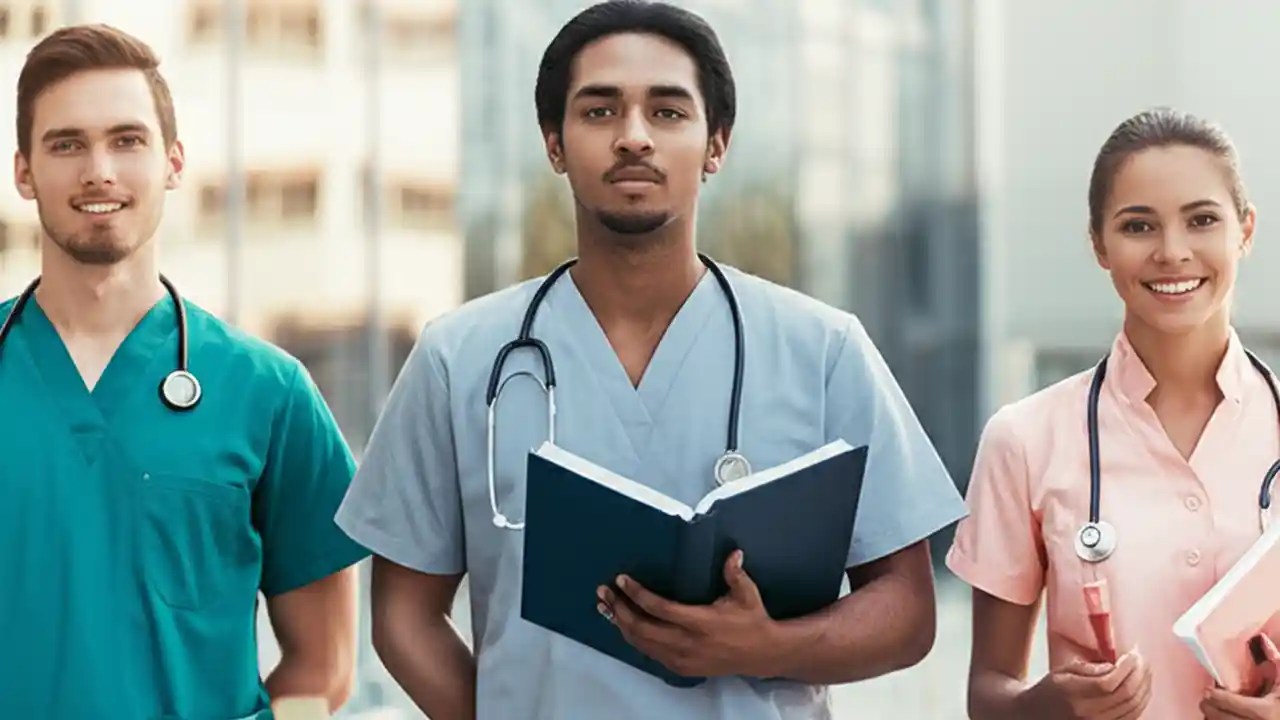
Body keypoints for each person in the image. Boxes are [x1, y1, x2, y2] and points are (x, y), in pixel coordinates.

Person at [335, 1, 967, 718]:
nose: (633, 137)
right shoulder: (457, 358)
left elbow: (908, 611)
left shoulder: (823, 350)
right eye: (599, 112)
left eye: (667, 113)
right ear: (554, 142)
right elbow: (403, 616)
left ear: (715, 144)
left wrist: (766, 647)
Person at [0, 25, 369, 718]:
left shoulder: (269, 393)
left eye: (127, 140)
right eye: (66, 143)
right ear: (24, 171)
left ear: (173, 161)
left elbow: (324, 667)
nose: (98, 169)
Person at [946, 107, 1280, 720]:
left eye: (1202, 220)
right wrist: (1047, 706)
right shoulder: (1024, 440)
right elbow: (989, 694)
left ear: (1246, 231)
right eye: (1138, 227)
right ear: (1099, 243)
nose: (1172, 252)